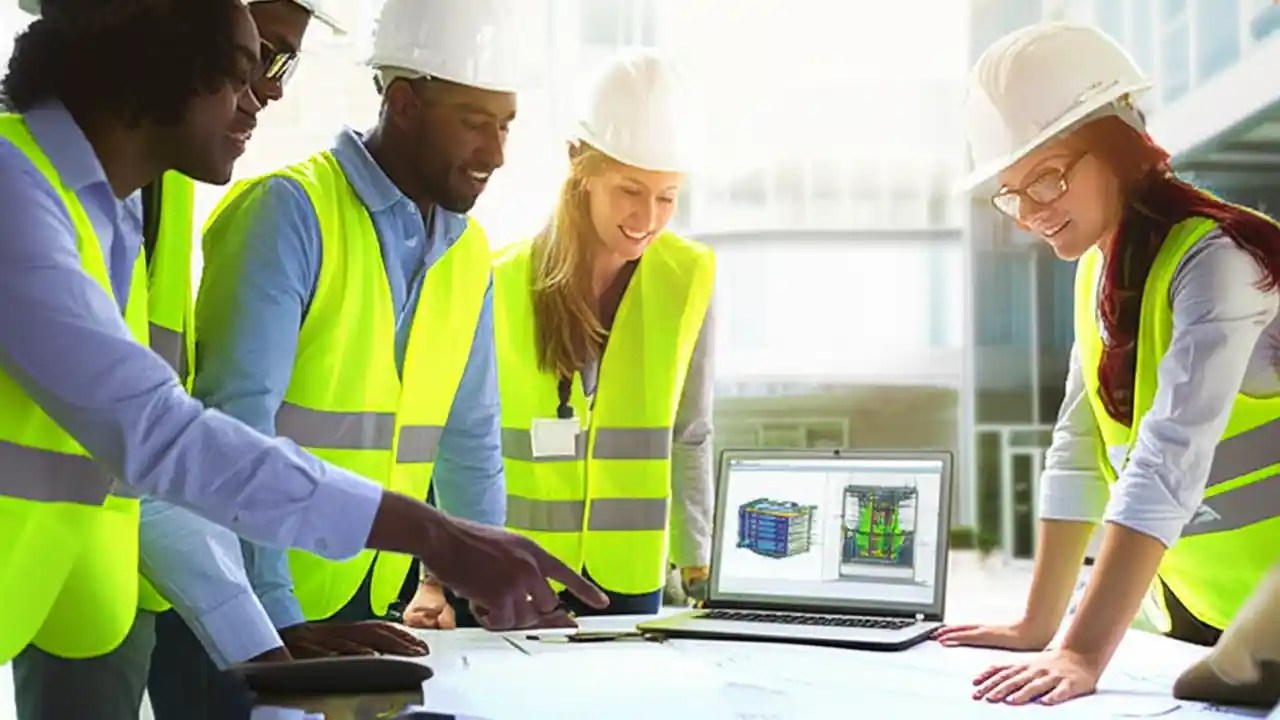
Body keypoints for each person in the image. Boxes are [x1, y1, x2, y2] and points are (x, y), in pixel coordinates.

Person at [0, 3, 606, 718]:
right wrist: (433, 532)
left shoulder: (110, 214)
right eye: (241, 69)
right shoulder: (15, 191)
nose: (265, 93)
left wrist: (269, 644)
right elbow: (159, 435)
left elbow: (156, 475)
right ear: (161, 64)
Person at [141, 0, 534, 714]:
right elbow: (237, 437)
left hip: (361, 604)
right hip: (243, 613)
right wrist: (280, 619)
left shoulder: (467, 253)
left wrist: (497, 600)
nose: (497, 154)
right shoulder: (285, 214)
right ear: (406, 106)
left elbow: (470, 443)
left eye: (506, 125)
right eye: (476, 123)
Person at [934, 21, 1280, 706]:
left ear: (1120, 149)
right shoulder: (1098, 270)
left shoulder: (1220, 262)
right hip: (1191, 618)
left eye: (1049, 179)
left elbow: (1167, 458)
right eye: (1012, 193)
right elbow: (1077, 449)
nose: (1030, 214)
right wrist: (1039, 624)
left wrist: (1081, 651)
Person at [406, 48, 716, 626]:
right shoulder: (496, 278)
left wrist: (700, 568)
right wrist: (435, 580)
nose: (647, 217)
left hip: (628, 578)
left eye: (667, 196)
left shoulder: (689, 275)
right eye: (630, 189)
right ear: (580, 164)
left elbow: (690, 433)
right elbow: (448, 436)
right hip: (508, 567)